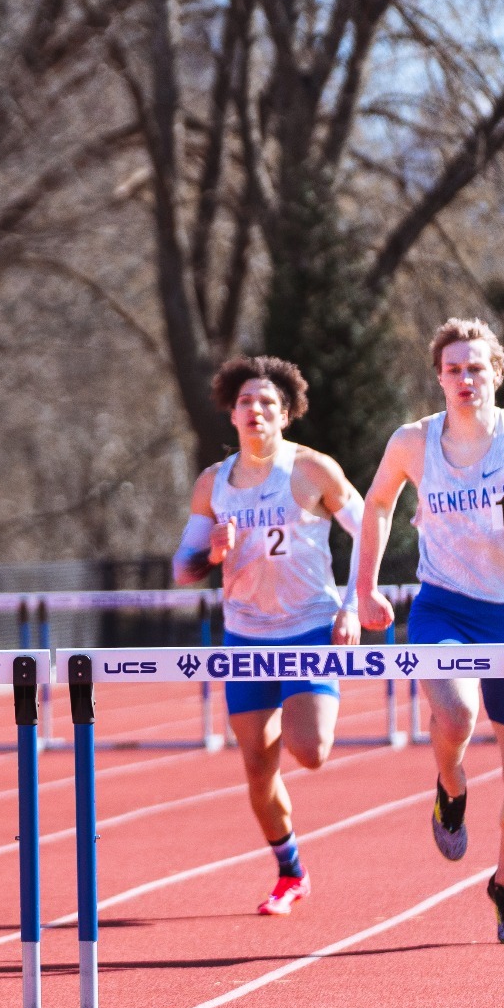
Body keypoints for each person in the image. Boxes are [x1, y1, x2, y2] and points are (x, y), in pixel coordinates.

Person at [355, 318, 504, 942]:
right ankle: (451, 781)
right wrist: (364, 588)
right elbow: (378, 503)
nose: (464, 380)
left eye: (475, 369)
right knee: (457, 714)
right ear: (438, 378)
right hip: (442, 605)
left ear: (496, 372)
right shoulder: (414, 442)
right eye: (452, 370)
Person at [172, 357, 364, 916]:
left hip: (307, 627)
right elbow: (183, 568)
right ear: (232, 414)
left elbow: (369, 532)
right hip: (246, 636)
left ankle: (291, 864)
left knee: (311, 752)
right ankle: (290, 872)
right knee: (257, 766)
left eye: (267, 404)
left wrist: (351, 605)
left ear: (286, 415)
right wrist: (212, 552)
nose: (255, 411)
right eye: (246, 403)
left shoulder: (312, 471)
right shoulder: (214, 482)